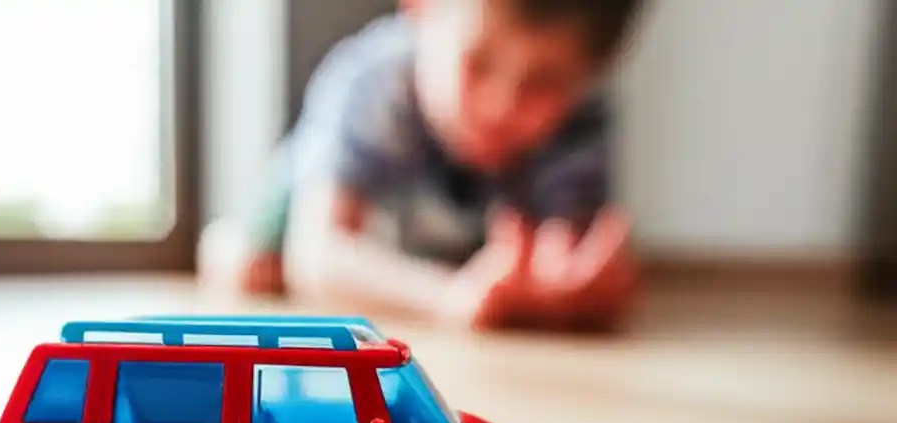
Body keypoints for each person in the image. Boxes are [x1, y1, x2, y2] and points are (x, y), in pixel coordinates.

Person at [199, 0, 644, 331]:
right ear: (421, 8)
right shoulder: (372, 81)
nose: (501, 106)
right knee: (245, 262)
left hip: (437, 255)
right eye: (478, 63)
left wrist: (568, 288)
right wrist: (449, 298)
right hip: (301, 221)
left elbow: (563, 253)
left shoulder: (581, 117)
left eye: (544, 83)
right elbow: (317, 256)